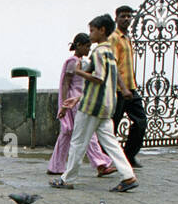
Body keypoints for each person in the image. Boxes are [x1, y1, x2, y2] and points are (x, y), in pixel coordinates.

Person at [52, 14, 139, 192]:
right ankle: (128, 175)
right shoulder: (110, 52)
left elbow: (98, 78)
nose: (90, 34)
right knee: (110, 142)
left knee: (78, 142)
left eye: (92, 31)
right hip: (107, 104)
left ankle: (67, 178)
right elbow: (111, 79)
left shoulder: (98, 52)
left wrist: (80, 72)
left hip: (92, 106)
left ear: (102, 30)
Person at [48, 33, 115, 176]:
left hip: (77, 98)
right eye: (86, 46)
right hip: (75, 100)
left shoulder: (79, 61)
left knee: (68, 133)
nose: (88, 50)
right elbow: (66, 82)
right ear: (78, 45)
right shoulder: (73, 61)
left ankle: (56, 165)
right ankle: (100, 163)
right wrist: (65, 103)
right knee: (86, 133)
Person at [109, 6, 147, 168]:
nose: (126, 19)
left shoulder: (127, 37)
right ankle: (108, 159)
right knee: (112, 125)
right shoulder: (114, 38)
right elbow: (113, 65)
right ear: (116, 19)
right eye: (123, 16)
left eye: (129, 16)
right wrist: (122, 88)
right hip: (118, 90)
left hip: (131, 88)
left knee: (141, 121)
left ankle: (129, 155)